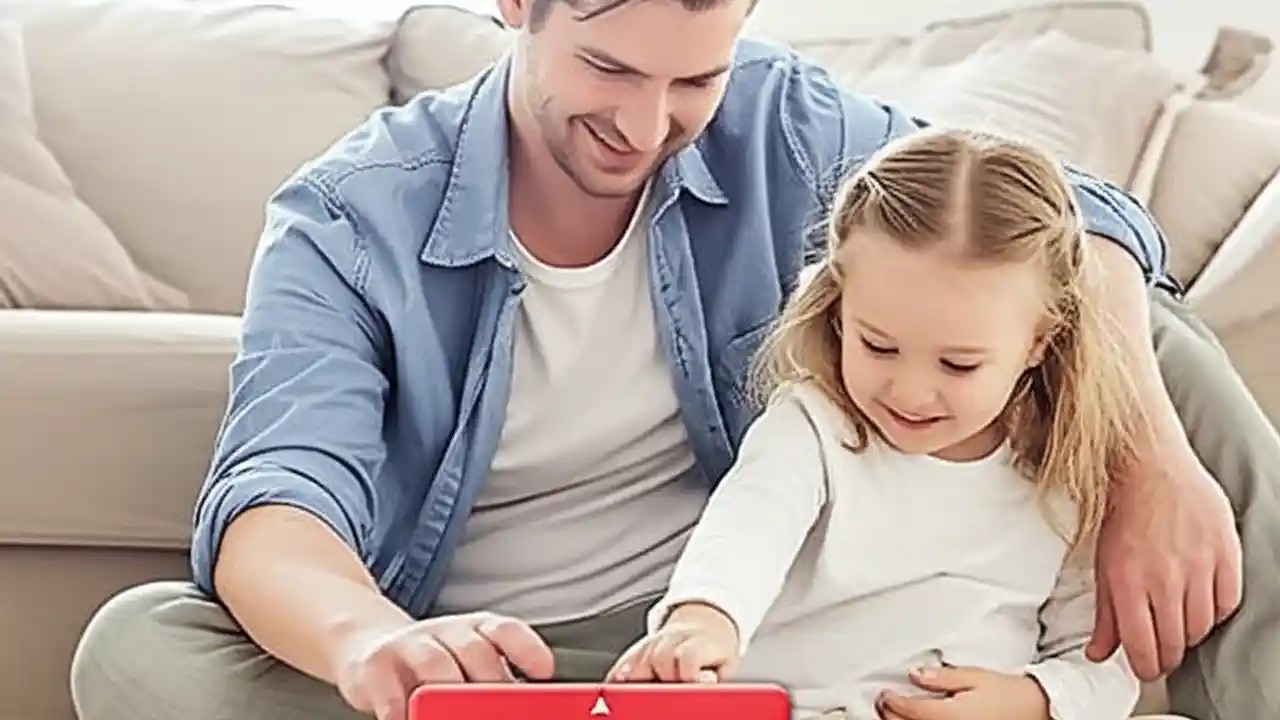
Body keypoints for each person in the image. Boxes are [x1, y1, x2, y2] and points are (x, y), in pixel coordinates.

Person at [68, 1, 1275, 720]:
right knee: (140, 647)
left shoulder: (779, 121)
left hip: (731, 635)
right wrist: (367, 640)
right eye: (606, 69)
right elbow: (275, 503)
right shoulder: (350, 219)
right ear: (516, 3)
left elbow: (1073, 221)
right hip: (503, 668)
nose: (645, 128)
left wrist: (1148, 458)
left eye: (692, 78)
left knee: (1146, 336)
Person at [606, 126, 1148, 720]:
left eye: (958, 363)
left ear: (1039, 343)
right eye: (879, 346)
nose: (911, 392)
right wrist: (704, 620)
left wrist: (1031, 700)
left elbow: (1104, 667)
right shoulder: (813, 429)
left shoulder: (1063, 471)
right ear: (839, 308)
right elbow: (746, 533)